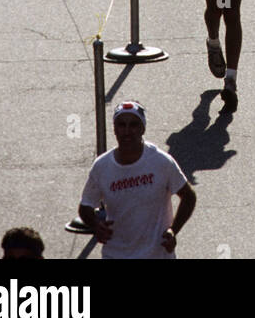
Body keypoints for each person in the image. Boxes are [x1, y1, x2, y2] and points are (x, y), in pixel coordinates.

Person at [78, 101, 196, 258]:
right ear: (114, 129)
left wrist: (173, 230)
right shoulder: (102, 166)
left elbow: (188, 196)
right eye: (121, 125)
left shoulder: (161, 161)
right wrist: (95, 224)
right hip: (116, 254)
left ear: (143, 128)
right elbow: (85, 206)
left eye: (133, 125)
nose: (127, 131)